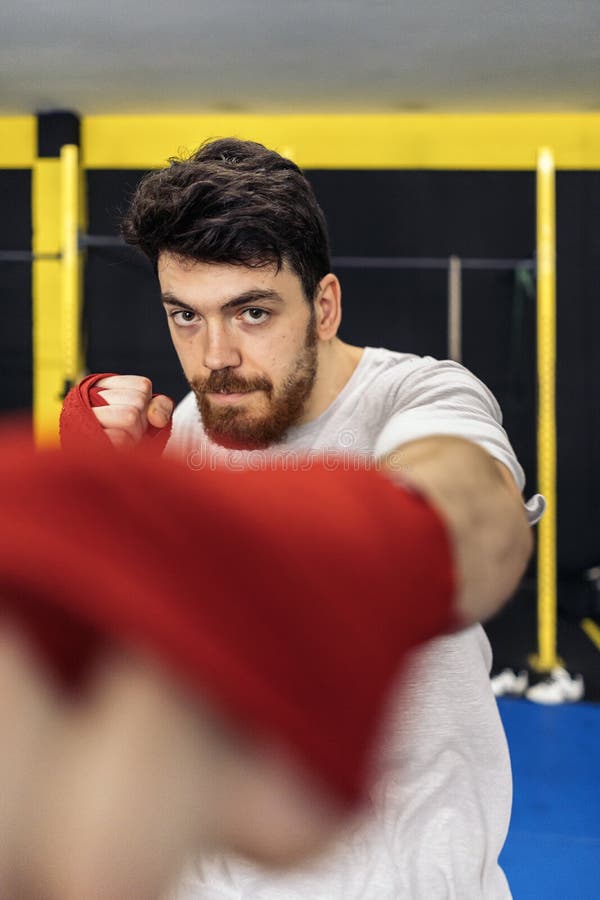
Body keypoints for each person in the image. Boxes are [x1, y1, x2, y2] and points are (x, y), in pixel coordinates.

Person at [62, 137, 542, 899]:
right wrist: (105, 507)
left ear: (324, 305)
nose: (215, 354)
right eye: (185, 315)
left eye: (252, 312)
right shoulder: (187, 426)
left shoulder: (420, 398)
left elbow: (475, 520)